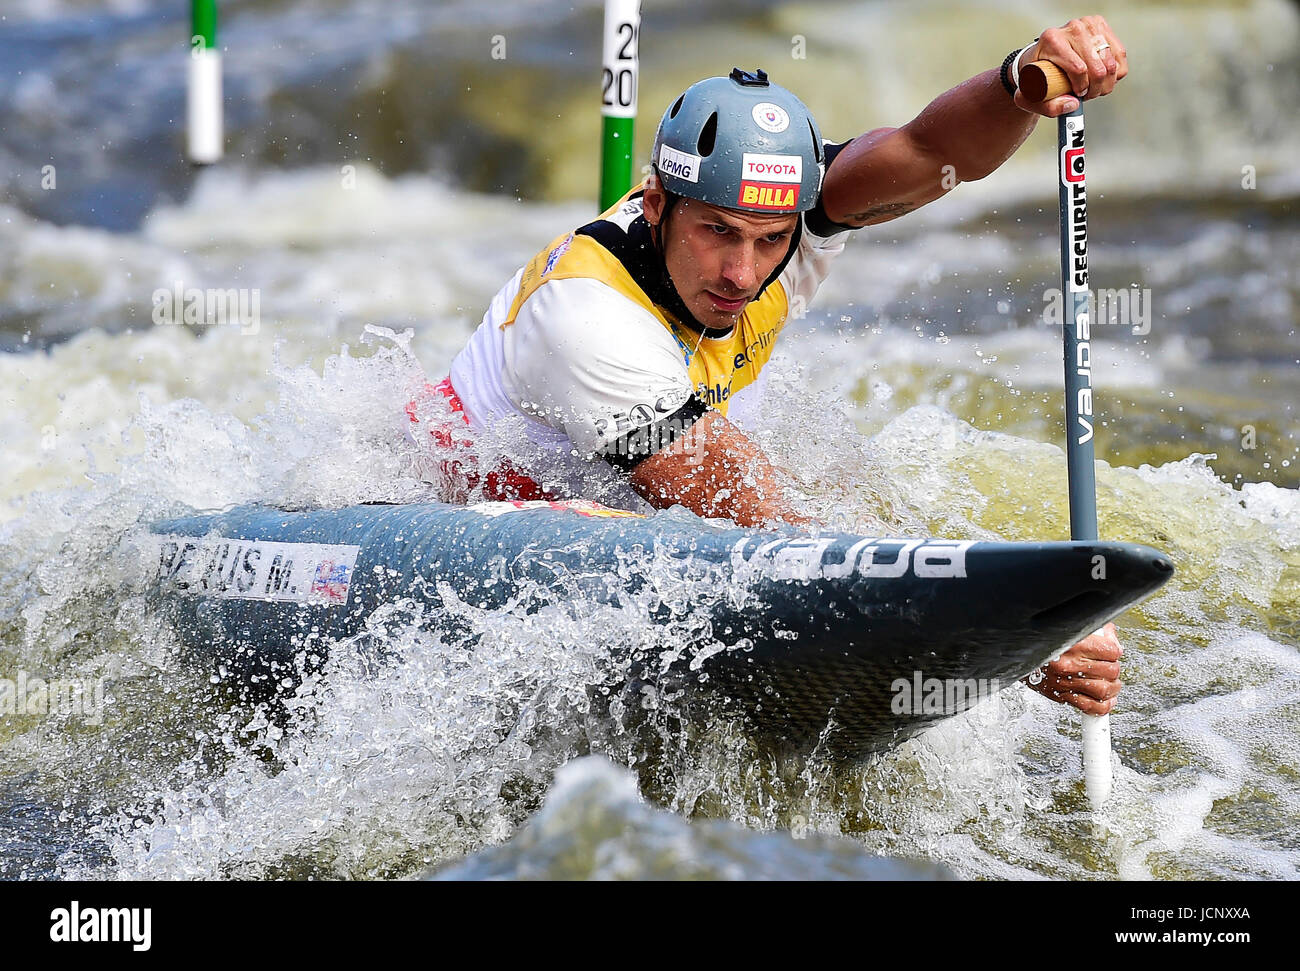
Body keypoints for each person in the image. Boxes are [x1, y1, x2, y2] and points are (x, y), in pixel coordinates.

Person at [410, 16, 1129, 715]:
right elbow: (760, 520)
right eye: (717, 232)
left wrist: (1018, 83)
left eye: (770, 239)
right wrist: (1005, 633)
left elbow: (930, 147)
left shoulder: (790, 225)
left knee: (847, 484)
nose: (741, 273)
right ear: (657, 204)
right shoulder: (584, 319)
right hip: (464, 511)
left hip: (629, 472)